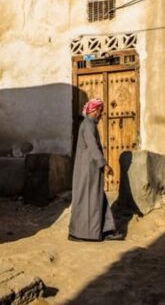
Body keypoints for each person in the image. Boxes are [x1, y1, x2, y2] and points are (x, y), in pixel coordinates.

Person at [68, 98, 124, 241]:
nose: (101, 114)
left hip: (91, 169)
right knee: (89, 200)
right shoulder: (88, 125)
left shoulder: (89, 124)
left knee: (97, 198)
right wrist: (103, 164)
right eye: (100, 111)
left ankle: (106, 230)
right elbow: (93, 146)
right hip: (88, 171)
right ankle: (81, 234)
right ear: (94, 111)